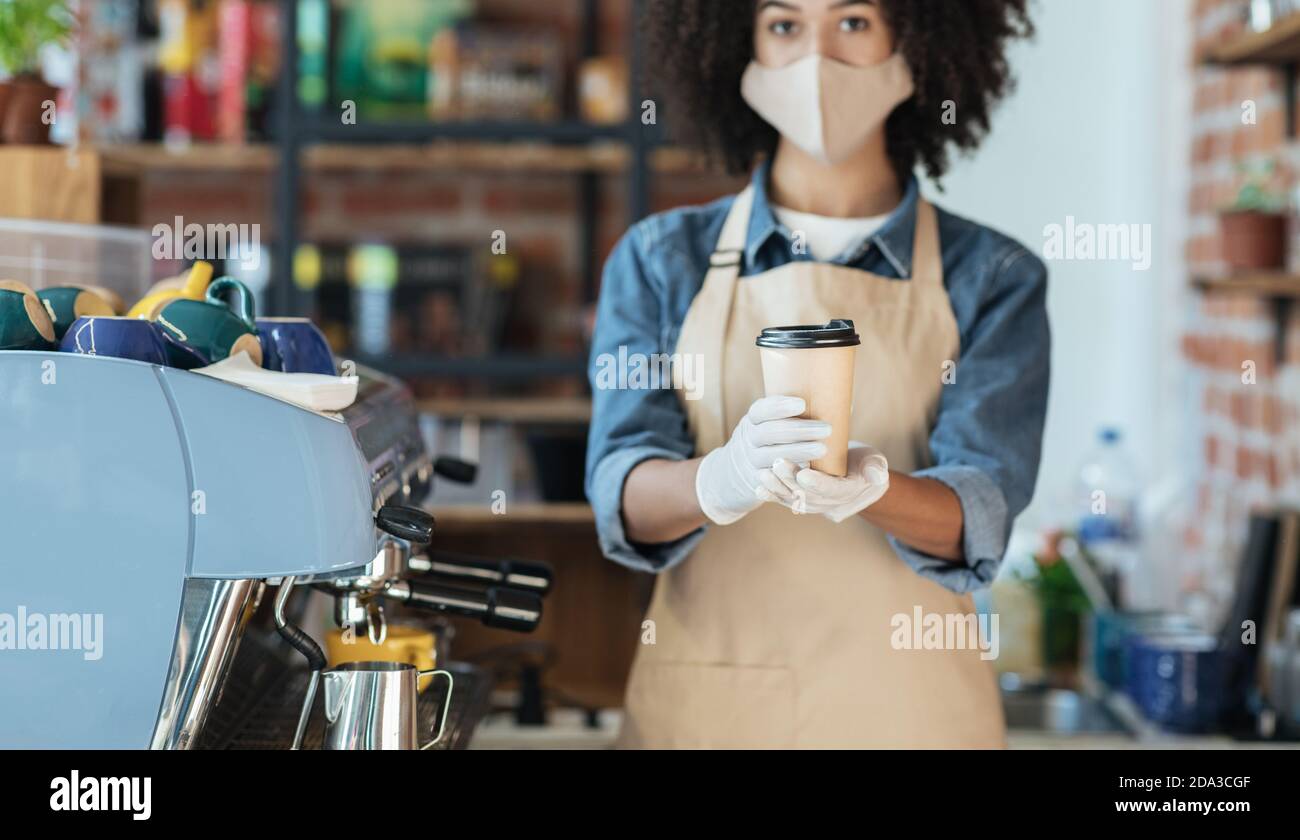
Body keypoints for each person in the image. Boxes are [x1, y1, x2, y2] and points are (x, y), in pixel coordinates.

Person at [585, 0, 1046, 747]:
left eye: (854, 22)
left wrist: (873, 488)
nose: (815, 59)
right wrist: (720, 480)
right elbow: (621, 493)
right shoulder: (660, 261)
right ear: (741, 46)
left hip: (914, 717)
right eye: (784, 24)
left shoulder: (993, 276)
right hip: (713, 716)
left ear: (918, 41)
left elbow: (980, 512)